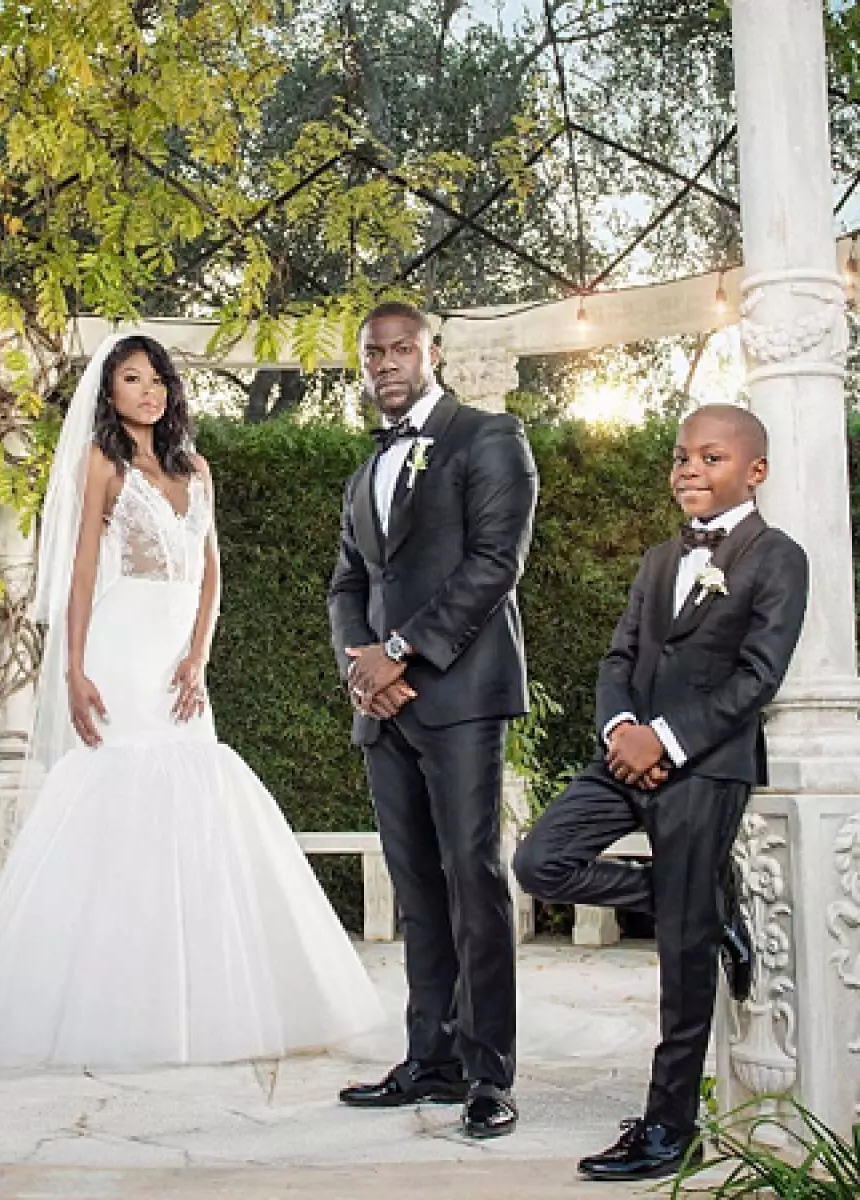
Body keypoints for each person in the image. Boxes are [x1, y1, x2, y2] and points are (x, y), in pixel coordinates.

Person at [0, 334, 383, 1068]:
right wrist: (73, 668)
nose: (147, 390)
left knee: (193, 799)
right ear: (109, 394)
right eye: (130, 379)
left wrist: (199, 656)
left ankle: (201, 1000)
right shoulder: (102, 463)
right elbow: (80, 575)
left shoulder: (196, 468)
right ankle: (103, 1004)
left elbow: (211, 575)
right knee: (115, 797)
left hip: (177, 662)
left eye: (156, 379)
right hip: (118, 646)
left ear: (171, 391)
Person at [513, 404, 808, 1182]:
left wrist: (667, 740)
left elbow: (757, 676)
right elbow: (619, 655)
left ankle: (669, 1129)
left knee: (682, 964)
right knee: (540, 862)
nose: (687, 470)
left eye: (709, 458)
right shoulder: (655, 561)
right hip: (623, 759)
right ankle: (700, 901)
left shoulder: (777, 558)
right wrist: (619, 731)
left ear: (754, 470)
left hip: (705, 765)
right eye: (681, 457)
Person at [327, 301, 537, 1139]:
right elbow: (347, 584)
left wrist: (403, 652)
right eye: (373, 352)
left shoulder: (489, 437)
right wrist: (362, 666)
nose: (385, 363)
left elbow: (496, 564)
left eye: (400, 348)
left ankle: (490, 1075)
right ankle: (431, 1060)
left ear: (432, 352)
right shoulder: (361, 471)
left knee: (471, 880)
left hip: (461, 699)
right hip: (384, 708)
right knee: (417, 889)